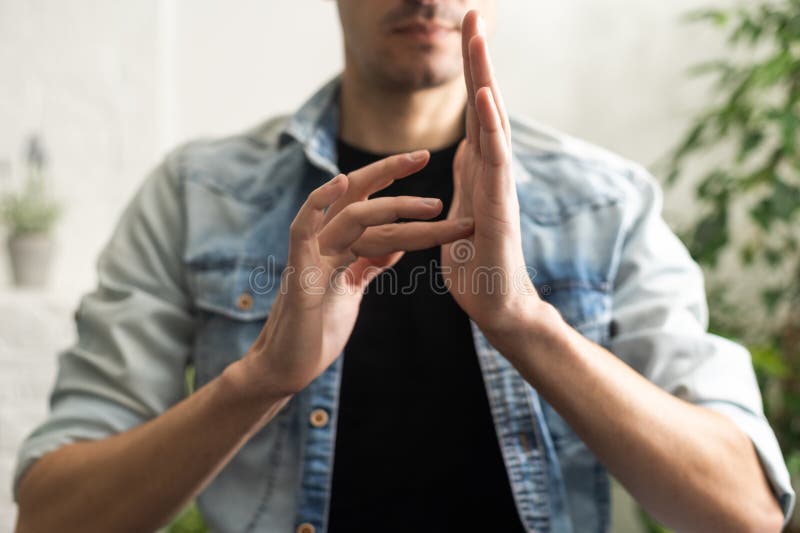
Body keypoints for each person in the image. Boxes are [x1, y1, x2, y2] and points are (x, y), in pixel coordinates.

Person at [13, 2, 794, 532]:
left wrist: (524, 320)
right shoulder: (196, 196)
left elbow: (745, 510)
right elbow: (54, 513)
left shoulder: (606, 201)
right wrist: (261, 376)